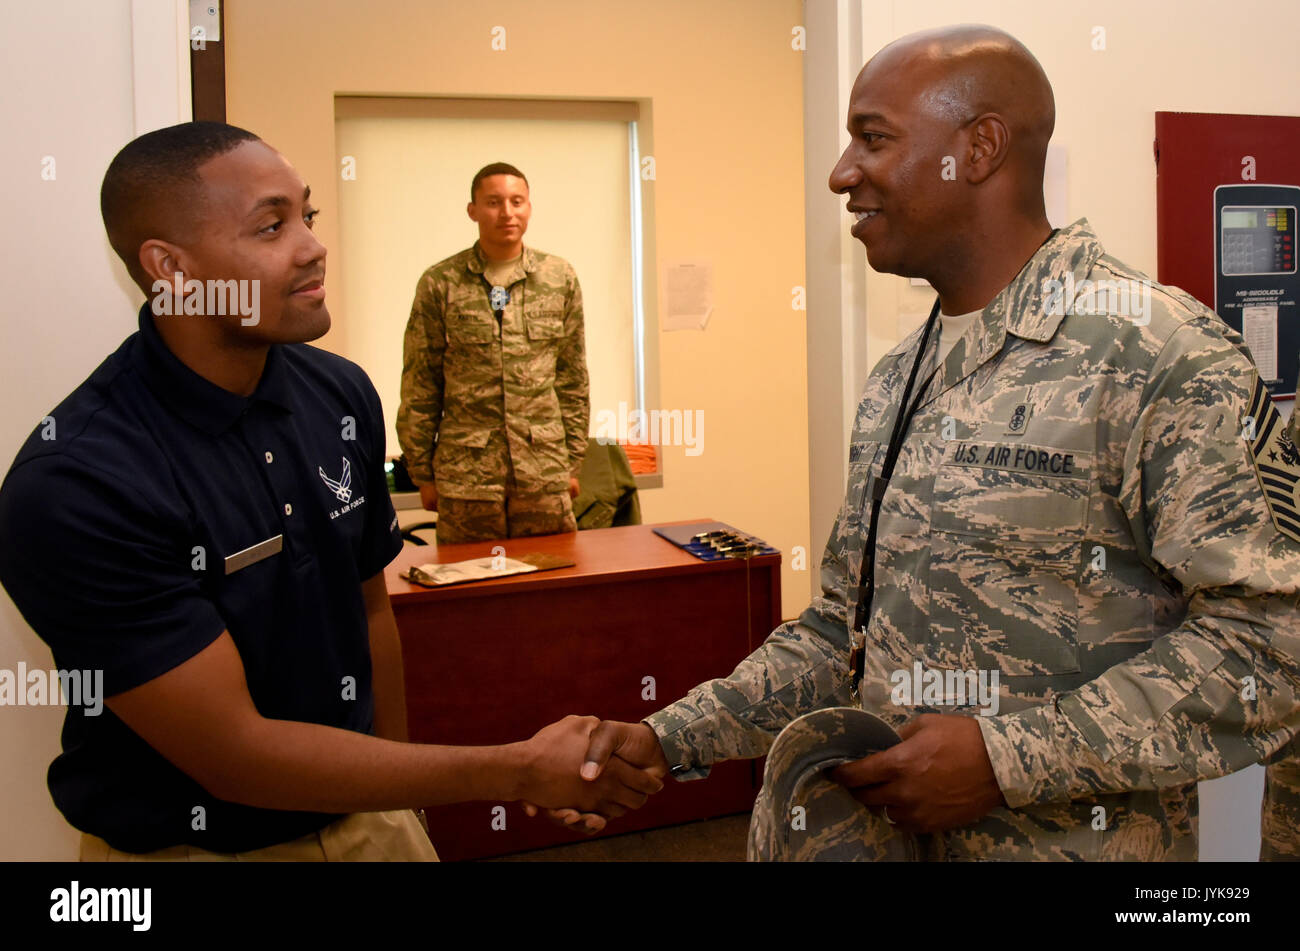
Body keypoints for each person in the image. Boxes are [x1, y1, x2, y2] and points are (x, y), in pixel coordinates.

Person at [542, 25, 1300, 860]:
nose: (841, 173)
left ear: (978, 148)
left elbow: (1269, 646)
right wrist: (668, 737)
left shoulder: (1159, 353)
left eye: (873, 138)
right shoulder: (902, 374)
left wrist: (1008, 760)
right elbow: (843, 630)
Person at [0, 122, 660, 861]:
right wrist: (509, 769)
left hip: (367, 825)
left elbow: (370, 611)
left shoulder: (338, 393)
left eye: (305, 216)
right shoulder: (79, 482)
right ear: (172, 268)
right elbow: (235, 753)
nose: (313, 245)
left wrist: (403, 799)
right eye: (271, 226)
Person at [397, 163, 589, 544]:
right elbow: (421, 381)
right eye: (493, 202)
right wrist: (423, 473)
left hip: (543, 471)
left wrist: (571, 462)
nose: (507, 213)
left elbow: (572, 377)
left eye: (517, 202)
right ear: (473, 210)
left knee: (552, 583)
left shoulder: (559, 277)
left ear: (529, 207)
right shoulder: (441, 282)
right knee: (465, 588)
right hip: (467, 478)